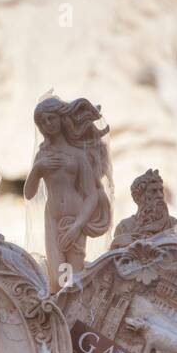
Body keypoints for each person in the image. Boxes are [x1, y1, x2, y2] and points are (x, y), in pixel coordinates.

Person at [25, 97, 112, 289]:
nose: (48, 124)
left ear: (61, 119)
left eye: (51, 118)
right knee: (57, 278)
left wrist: (78, 225)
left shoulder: (78, 155)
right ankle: (57, 311)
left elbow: (91, 194)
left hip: (76, 220)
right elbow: (29, 193)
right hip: (54, 219)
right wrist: (38, 169)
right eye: (43, 121)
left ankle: (70, 316)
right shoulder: (42, 156)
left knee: (75, 277)